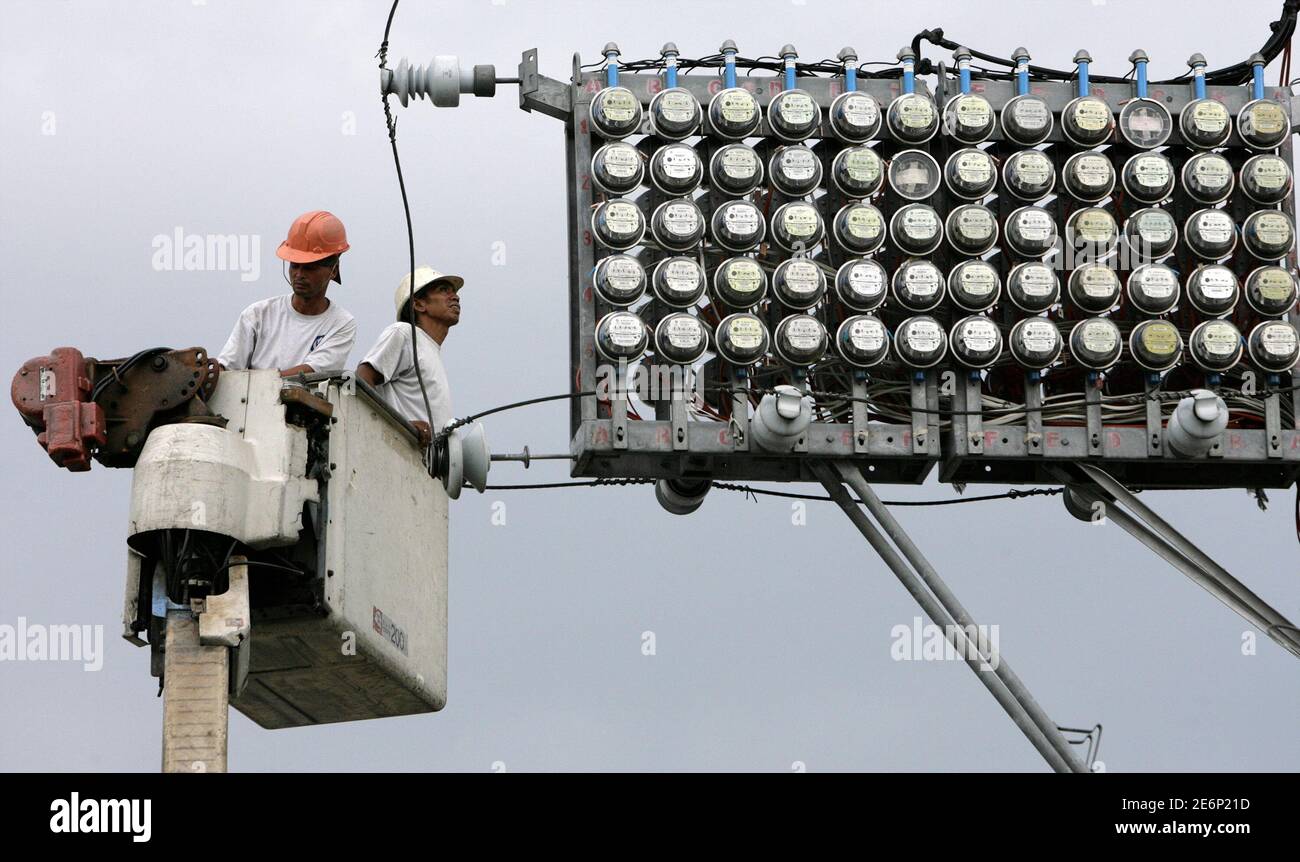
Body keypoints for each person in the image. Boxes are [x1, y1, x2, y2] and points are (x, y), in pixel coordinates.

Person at [217, 210, 357, 375]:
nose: (299, 275)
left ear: (333, 271)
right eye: (294, 265)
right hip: (249, 400)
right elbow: (227, 367)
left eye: (309, 268)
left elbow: (311, 372)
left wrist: (259, 383)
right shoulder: (258, 314)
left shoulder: (341, 324)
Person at [356, 266, 462, 446]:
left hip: (421, 468)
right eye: (443, 290)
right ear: (419, 304)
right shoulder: (404, 334)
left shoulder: (431, 351)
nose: (456, 297)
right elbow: (362, 378)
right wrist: (401, 426)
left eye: (454, 292)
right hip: (399, 459)